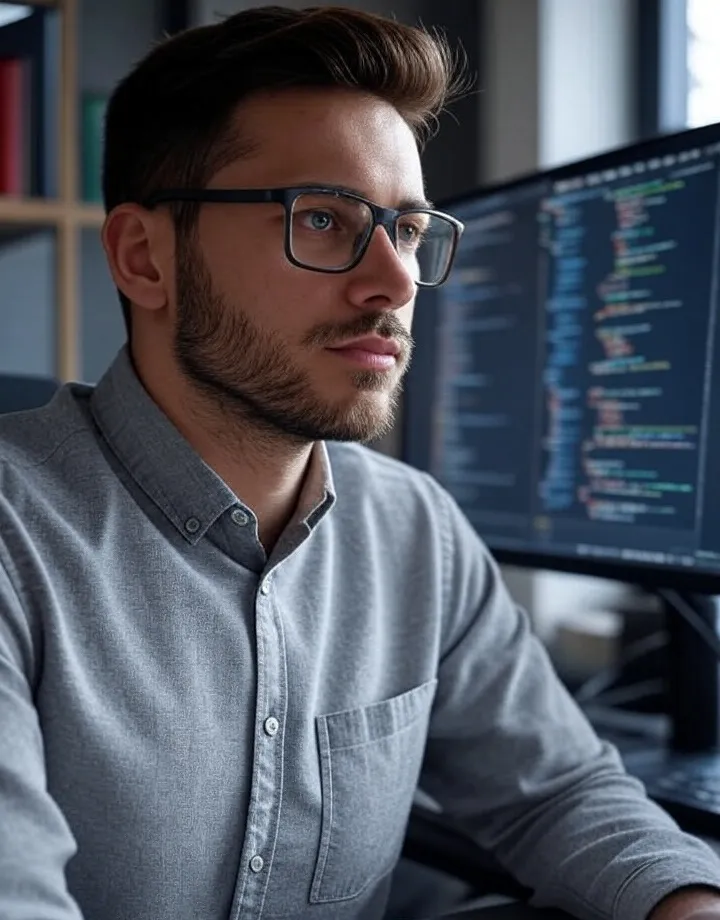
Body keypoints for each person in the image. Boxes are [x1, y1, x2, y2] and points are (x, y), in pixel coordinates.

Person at [1, 6, 720, 920]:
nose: (394, 282)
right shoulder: (16, 543)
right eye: (325, 220)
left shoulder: (417, 531)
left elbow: (557, 793)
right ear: (146, 258)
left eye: (410, 232)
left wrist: (686, 901)